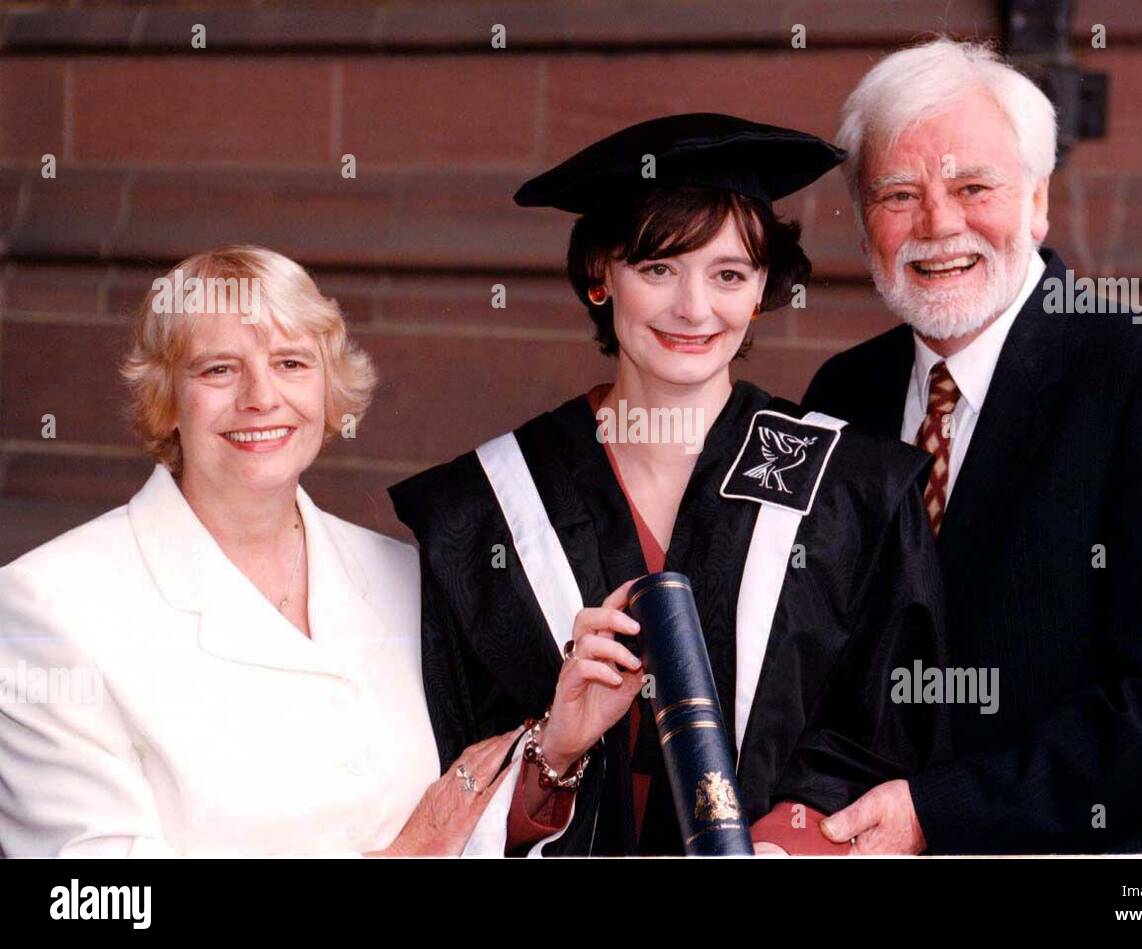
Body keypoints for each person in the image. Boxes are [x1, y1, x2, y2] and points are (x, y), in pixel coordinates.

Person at [389, 113, 948, 856]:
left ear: (761, 291)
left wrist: (784, 842)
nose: (694, 308)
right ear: (600, 275)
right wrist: (552, 753)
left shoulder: (854, 491)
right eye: (658, 268)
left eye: (729, 274)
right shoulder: (483, 510)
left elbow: (887, 739)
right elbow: (449, 766)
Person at [802, 38, 1142, 854]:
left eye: (973, 187)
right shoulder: (841, 395)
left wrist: (938, 812)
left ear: (1037, 200)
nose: (938, 224)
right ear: (864, 220)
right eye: (899, 194)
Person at [0, 245, 627, 856]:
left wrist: (556, 747)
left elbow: (463, 824)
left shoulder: (405, 575)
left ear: (329, 388)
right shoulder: (49, 607)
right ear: (165, 399)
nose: (260, 397)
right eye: (218, 369)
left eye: (291, 363)